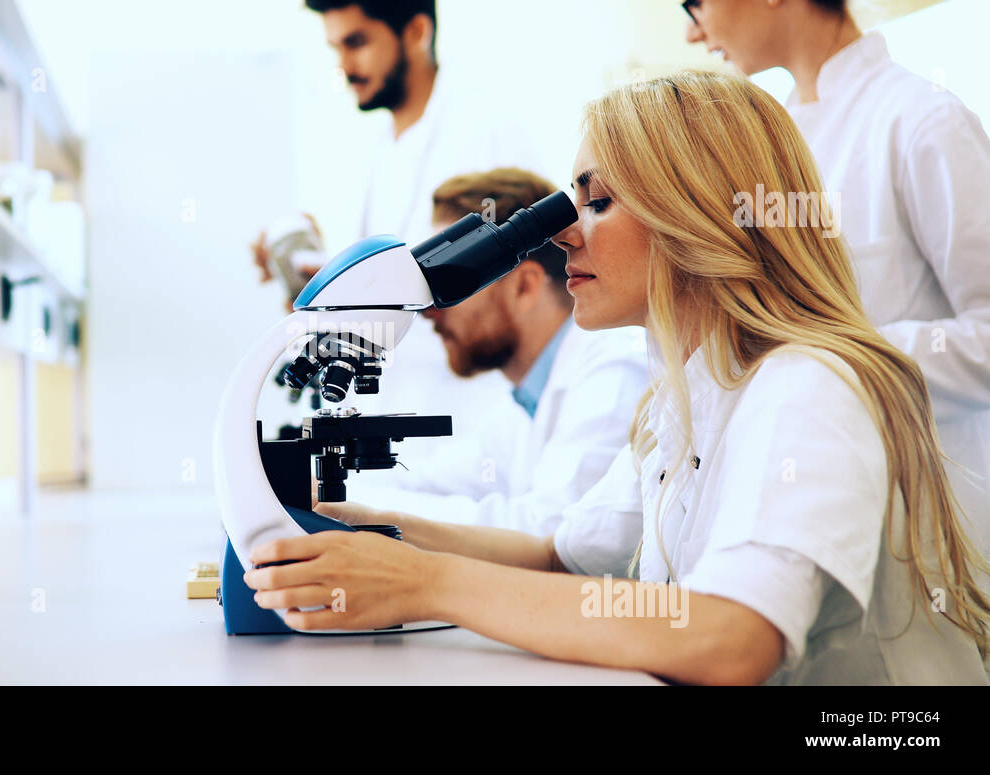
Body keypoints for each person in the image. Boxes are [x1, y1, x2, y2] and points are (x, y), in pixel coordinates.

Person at [244, 71, 990, 685]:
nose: (565, 232)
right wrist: (368, 532)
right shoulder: (682, 395)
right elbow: (560, 554)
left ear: (698, 215)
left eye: (596, 202)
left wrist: (425, 583)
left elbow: (735, 636)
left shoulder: (808, 386)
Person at [684, 0, 990, 553]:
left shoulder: (922, 121)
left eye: (694, 4)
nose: (690, 30)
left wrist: (829, 356)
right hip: (803, 517)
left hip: (931, 521)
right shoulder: (765, 149)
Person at [252, 0, 549, 447]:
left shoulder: (489, 131)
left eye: (357, 43)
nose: (345, 67)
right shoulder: (375, 146)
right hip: (391, 406)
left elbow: (516, 280)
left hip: (471, 414)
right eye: (336, 48)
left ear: (415, 31)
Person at [345, 168, 648, 535]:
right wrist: (316, 492)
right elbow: (425, 483)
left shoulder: (613, 371)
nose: (427, 310)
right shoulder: (523, 403)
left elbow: (552, 533)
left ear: (524, 287)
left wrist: (350, 511)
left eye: (446, 282)